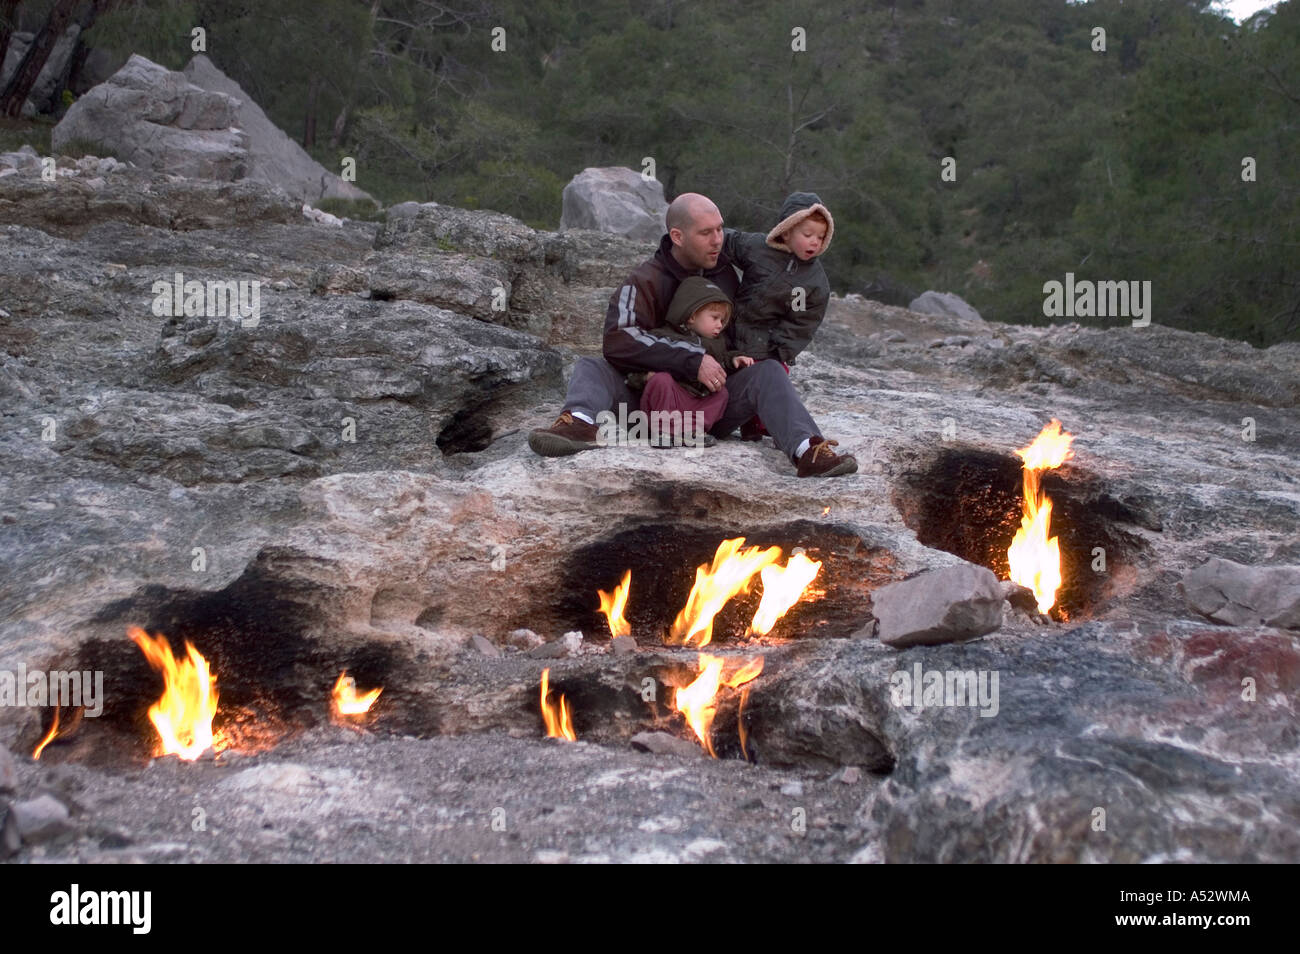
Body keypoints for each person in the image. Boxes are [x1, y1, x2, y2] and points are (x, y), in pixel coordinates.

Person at [528, 192, 856, 478]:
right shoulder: (645, 280)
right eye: (706, 233)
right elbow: (618, 339)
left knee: (768, 372)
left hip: (710, 406)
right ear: (678, 236)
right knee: (591, 366)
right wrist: (690, 359)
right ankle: (579, 424)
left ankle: (807, 451)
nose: (718, 240)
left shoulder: (725, 276)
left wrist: (758, 352)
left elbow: (750, 319)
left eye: (719, 229)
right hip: (647, 406)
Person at [723, 191, 833, 440]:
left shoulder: (814, 282)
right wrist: (703, 235)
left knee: (774, 375)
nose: (814, 242)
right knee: (729, 374)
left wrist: (779, 349)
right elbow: (727, 241)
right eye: (807, 235)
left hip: (768, 342)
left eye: (821, 237)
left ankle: (761, 425)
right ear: (786, 231)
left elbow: (803, 322)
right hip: (731, 328)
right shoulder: (758, 247)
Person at [628, 276, 753, 446]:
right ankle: (663, 432)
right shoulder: (664, 336)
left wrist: (735, 359)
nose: (719, 325)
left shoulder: (717, 343)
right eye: (714, 318)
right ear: (692, 316)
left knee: (721, 394)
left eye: (722, 321)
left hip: (697, 399)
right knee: (661, 380)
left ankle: (692, 431)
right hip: (672, 396)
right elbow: (643, 360)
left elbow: (723, 359)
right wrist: (643, 377)